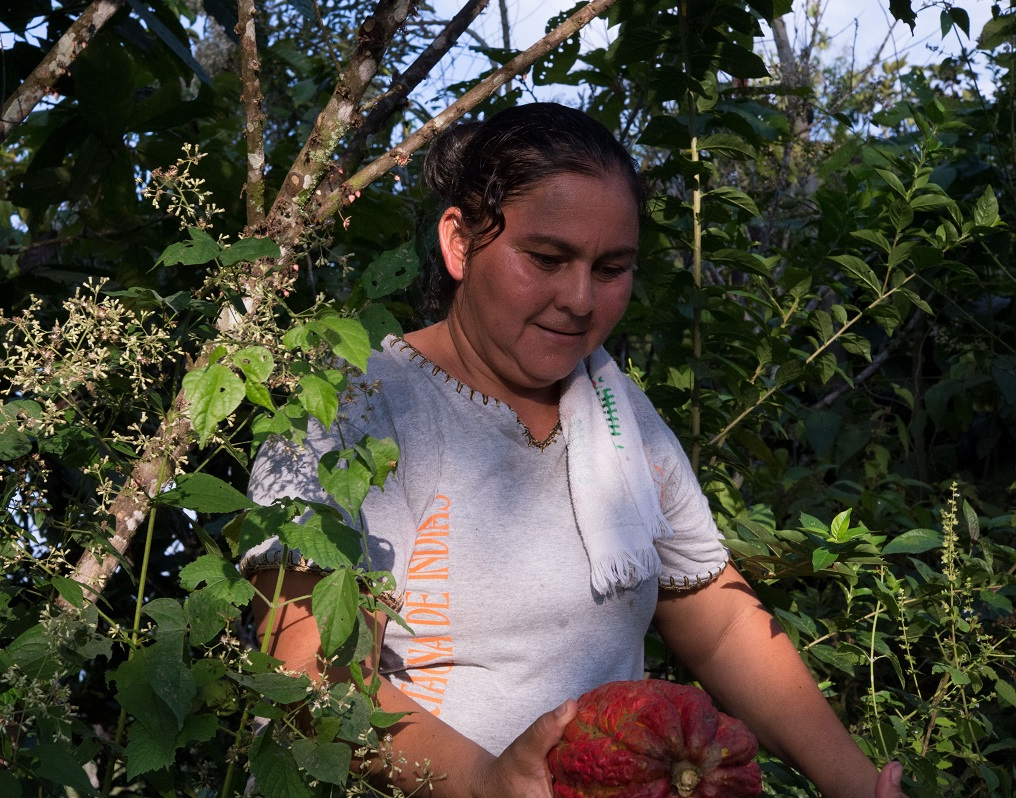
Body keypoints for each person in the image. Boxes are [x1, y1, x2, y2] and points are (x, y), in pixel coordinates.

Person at [244, 102, 907, 798]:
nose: (582, 298)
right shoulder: (355, 412)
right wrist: (484, 783)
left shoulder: (617, 414)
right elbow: (305, 679)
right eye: (548, 258)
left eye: (612, 266)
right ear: (460, 243)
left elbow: (717, 622)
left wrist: (859, 785)